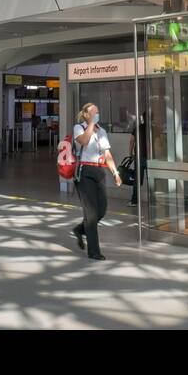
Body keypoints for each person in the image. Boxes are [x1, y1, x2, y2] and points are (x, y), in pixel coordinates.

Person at [70, 104, 122, 261]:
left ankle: (80, 229)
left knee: (102, 209)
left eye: (97, 112)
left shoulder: (102, 131)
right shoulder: (79, 128)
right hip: (84, 172)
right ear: (85, 114)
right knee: (91, 213)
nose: (96, 114)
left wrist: (115, 173)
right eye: (93, 112)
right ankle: (94, 251)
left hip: (99, 171)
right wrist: (91, 124)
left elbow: (107, 154)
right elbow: (84, 141)